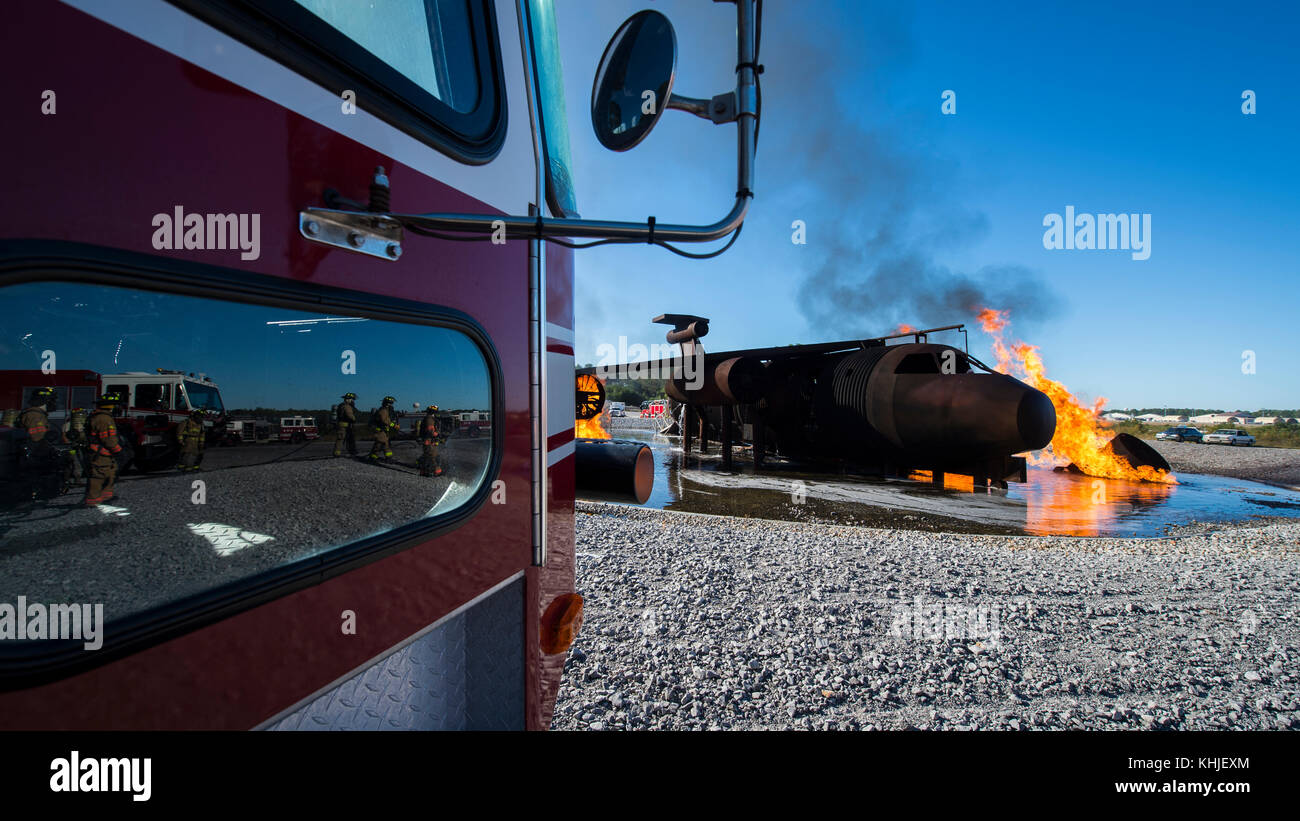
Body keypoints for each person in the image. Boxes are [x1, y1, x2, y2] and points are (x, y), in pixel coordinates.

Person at [85, 391, 124, 506]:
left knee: (109, 473)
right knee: (99, 476)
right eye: (117, 405)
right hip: (100, 453)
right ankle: (93, 500)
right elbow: (108, 439)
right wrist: (119, 451)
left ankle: (105, 496)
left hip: (103, 453)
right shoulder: (104, 419)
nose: (119, 408)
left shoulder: (102, 417)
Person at [417, 404, 445, 477]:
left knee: (427, 457)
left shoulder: (429, 418)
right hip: (429, 441)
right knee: (433, 457)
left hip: (428, 441)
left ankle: (423, 472)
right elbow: (430, 430)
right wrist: (437, 435)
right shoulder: (429, 419)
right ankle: (437, 471)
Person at [367, 395, 397, 461]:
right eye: (391, 403)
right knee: (385, 443)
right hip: (380, 431)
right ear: (387, 403)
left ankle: (373, 457)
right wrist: (394, 425)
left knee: (379, 444)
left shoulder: (385, 410)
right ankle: (388, 458)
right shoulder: (383, 411)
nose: (391, 405)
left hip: (382, 431)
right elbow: (384, 421)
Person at [334, 392, 357, 457]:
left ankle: (337, 453)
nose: (353, 401)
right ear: (349, 399)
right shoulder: (347, 406)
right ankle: (351, 452)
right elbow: (349, 415)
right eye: (352, 399)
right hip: (345, 426)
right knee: (346, 439)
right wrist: (354, 419)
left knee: (340, 439)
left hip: (342, 425)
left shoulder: (341, 405)